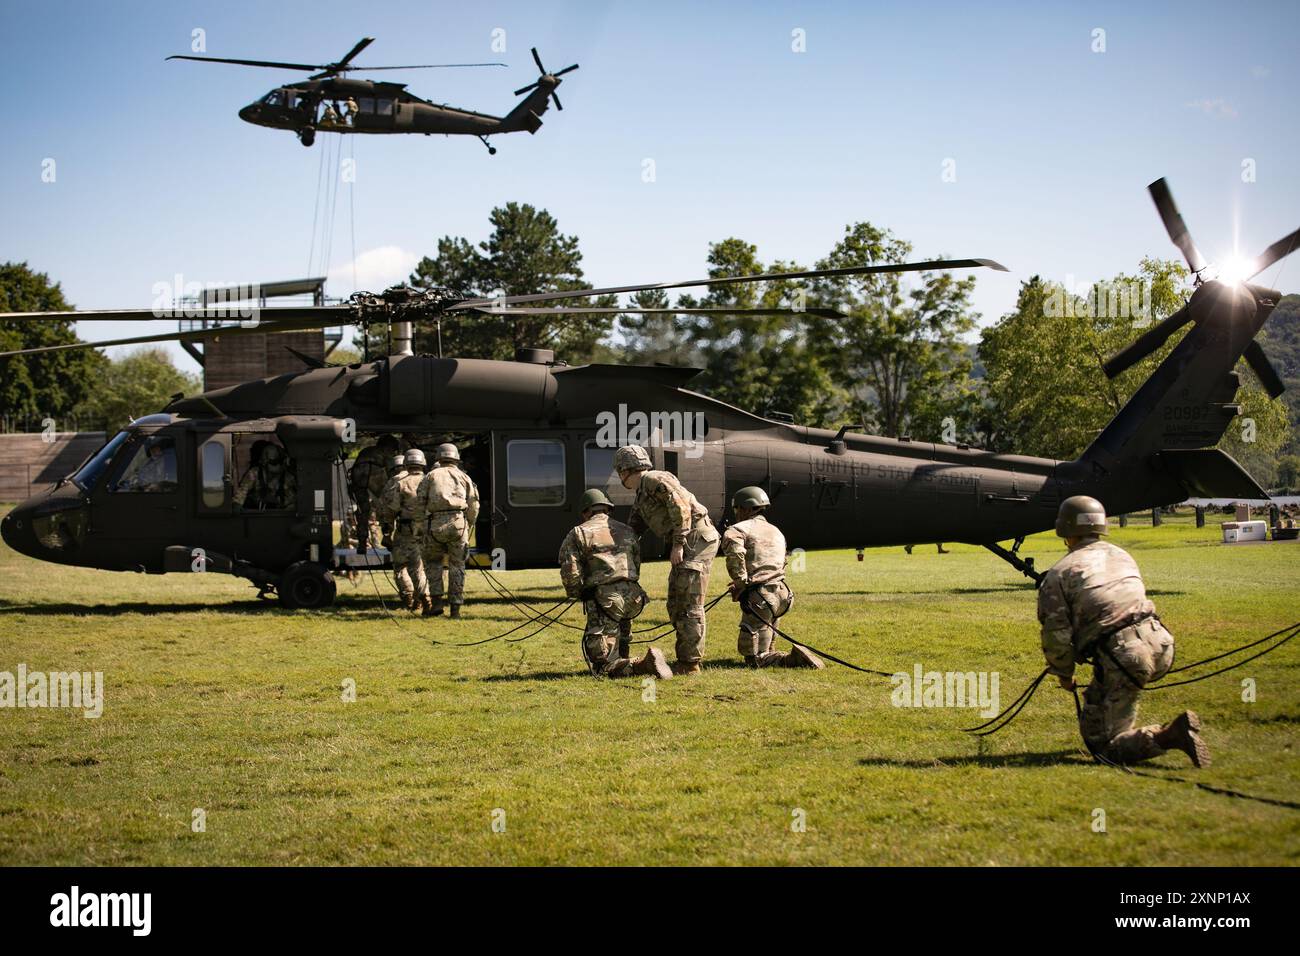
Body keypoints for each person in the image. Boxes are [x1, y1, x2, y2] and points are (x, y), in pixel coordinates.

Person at [1037, 495, 1210, 767]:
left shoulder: (1060, 573)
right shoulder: (1122, 555)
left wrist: (1064, 673)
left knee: (1102, 745)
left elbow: (1055, 633)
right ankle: (1151, 726)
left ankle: (1170, 735)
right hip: (1161, 643)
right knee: (1100, 699)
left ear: (1065, 530)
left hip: (1126, 657)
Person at [614, 444, 720, 675]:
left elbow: (680, 506)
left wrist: (679, 543)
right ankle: (686, 658)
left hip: (694, 539)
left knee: (688, 602)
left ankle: (690, 664)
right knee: (675, 602)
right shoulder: (642, 494)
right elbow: (633, 530)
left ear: (624, 471)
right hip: (688, 541)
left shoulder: (654, 479)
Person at [558, 489, 672, 679]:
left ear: (586, 511)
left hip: (606, 600)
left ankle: (644, 665)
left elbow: (570, 570)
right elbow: (636, 562)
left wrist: (577, 592)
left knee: (603, 665)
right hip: (633, 596)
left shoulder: (579, 532)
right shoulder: (627, 530)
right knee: (622, 638)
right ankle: (626, 660)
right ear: (607, 509)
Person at [721, 486, 822, 669]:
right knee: (767, 639)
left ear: (745, 508)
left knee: (755, 660)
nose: (736, 513)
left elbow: (735, 559)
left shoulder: (736, 530)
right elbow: (782, 561)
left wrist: (740, 584)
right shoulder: (776, 531)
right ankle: (776, 652)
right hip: (782, 594)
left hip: (760, 597)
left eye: (737, 509)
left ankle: (792, 660)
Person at [416, 443, 480, 618]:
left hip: (435, 524)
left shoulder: (430, 476)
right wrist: (471, 521)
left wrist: (420, 526)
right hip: (458, 523)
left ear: (439, 457)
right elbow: (473, 503)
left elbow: (419, 503)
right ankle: (455, 609)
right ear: (456, 458)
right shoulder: (464, 477)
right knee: (457, 565)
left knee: (433, 564)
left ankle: (436, 603)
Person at [377, 448, 428, 612]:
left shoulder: (398, 482)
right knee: (422, 566)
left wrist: (387, 533)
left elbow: (389, 510)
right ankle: (427, 597)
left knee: (401, 566)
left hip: (406, 529)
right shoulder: (431, 479)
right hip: (429, 529)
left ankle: (409, 597)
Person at [351, 435, 399, 550]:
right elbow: (391, 472)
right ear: (389, 447)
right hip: (374, 474)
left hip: (357, 476)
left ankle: (362, 541)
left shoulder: (365, 451)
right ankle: (386, 537)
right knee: (385, 507)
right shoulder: (385, 453)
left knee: (363, 509)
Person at [234, 441, 296, 510]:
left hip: (281, 514)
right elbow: (241, 493)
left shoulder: (288, 477)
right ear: (264, 462)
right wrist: (237, 505)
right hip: (258, 513)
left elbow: (294, 501)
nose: (279, 465)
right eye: (274, 462)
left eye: (280, 461)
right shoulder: (255, 473)